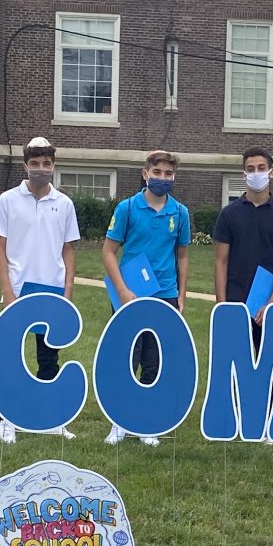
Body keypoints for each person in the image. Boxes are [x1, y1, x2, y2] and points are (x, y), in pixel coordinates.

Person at [0, 138, 80, 443]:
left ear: (53, 166)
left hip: (51, 291)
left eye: (47, 164)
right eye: (35, 164)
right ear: (25, 166)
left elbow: (68, 249)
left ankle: (48, 417)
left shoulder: (64, 204)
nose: (41, 169)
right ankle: (6, 420)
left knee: (49, 359)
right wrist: (7, 291)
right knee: (9, 358)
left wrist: (67, 291)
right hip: (17, 290)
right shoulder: (8, 200)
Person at [101, 149, 191, 446]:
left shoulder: (180, 212)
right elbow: (108, 252)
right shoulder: (127, 208)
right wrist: (122, 290)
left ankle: (146, 421)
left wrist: (181, 294)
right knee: (127, 357)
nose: (163, 178)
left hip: (164, 295)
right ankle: (119, 420)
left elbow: (182, 256)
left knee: (155, 360)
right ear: (145, 174)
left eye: (168, 174)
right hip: (130, 294)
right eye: (157, 172)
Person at [212, 149, 273, 325]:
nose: (256, 173)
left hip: (267, 300)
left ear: (271, 172)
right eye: (250, 169)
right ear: (244, 174)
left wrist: (271, 304)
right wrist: (222, 305)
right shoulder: (228, 214)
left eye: (261, 168)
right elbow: (221, 261)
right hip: (235, 300)